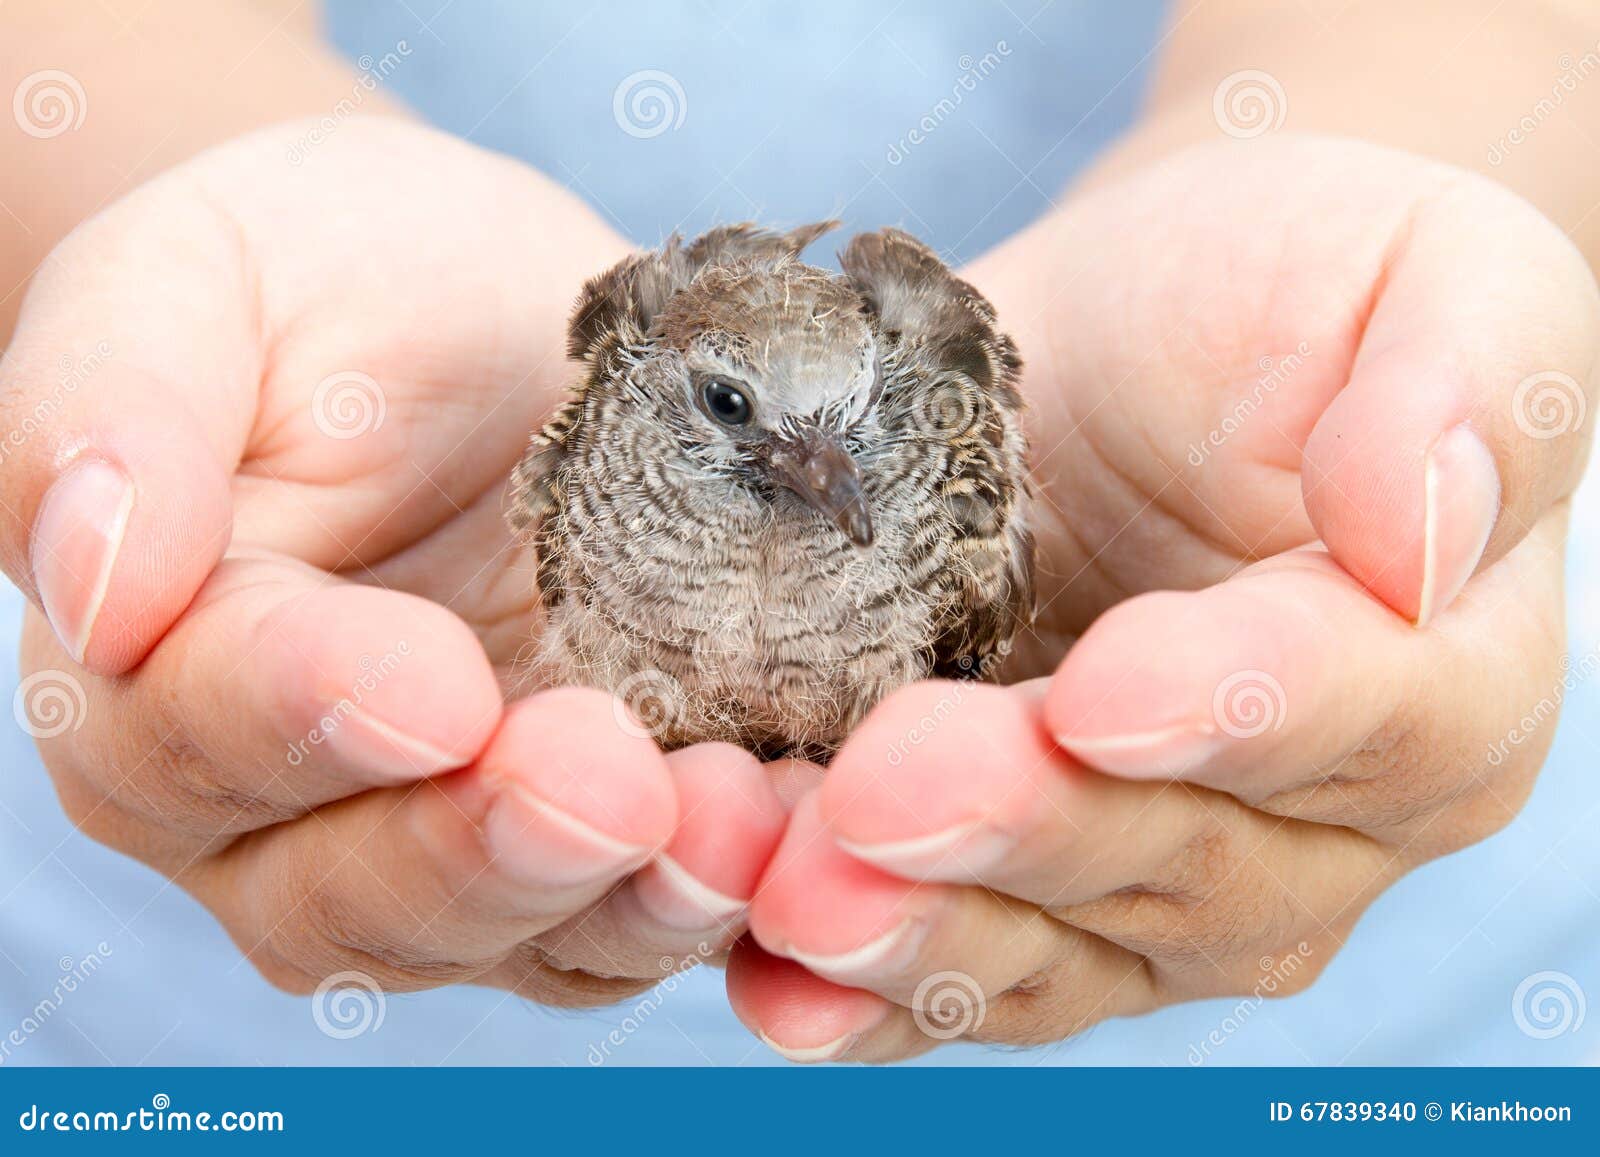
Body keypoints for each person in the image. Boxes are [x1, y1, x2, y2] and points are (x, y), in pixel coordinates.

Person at [1, 0, 1596, 1066]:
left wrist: (1379, 178)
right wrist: (184, 191)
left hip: (1367, 1018)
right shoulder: (575, 469)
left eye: (844, 435)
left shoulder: (937, 493)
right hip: (209, 1020)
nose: (818, 473)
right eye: (739, 424)